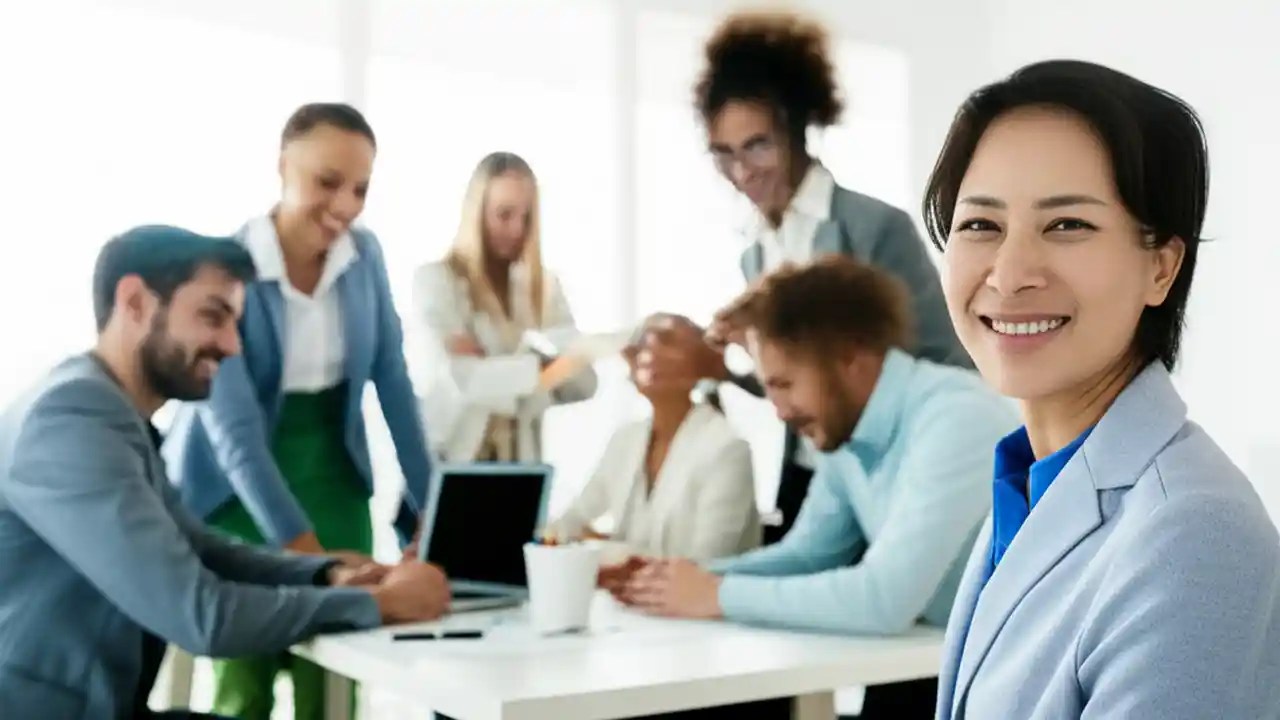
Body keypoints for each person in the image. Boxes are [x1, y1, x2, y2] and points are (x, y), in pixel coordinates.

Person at [925, 60, 1280, 720]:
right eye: (981, 225)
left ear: (1161, 268)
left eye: (1068, 226)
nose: (1009, 274)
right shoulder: (1031, 481)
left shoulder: (1193, 532)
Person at [0, 226, 449, 720]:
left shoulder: (113, 414)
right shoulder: (71, 419)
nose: (233, 345)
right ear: (134, 302)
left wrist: (327, 573)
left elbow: (202, 549)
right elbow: (202, 615)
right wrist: (380, 605)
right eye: (213, 317)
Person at [612, 257, 1017, 719]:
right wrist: (678, 578)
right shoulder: (847, 429)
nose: (779, 411)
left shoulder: (956, 418)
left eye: (785, 384)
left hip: (1014, 681)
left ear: (851, 358)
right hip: (935, 658)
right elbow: (809, 555)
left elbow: (884, 600)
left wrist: (714, 594)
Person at [640, 9, 969, 546]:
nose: (742, 172)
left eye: (757, 146)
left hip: (892, 468)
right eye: (724, 154)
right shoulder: (755, 254)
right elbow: (792, 382)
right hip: (810, 471)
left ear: (795, 131)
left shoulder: (873, 228)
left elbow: (941, 365)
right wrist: (720, 367)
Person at [161, 103, 436, 720]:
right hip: (238, 492)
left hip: (333, 478)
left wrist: (430, 508)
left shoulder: (365, 258)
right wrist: (310, 563)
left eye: (361, 188)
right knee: (246, 685)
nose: (345, 205)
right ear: (283, 166)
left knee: (337, 688)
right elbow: (234, 437)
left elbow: (393, 383)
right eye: (327, 182)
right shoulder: (226, 267)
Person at [410, 151, 597, 464]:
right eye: (504, 214)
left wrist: (491, 368)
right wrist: (540, 368)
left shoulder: (545, 289)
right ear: (477, 212)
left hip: (521, 472)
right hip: (449, 467)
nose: (517, 230)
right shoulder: (435, 281)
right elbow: (455, 378)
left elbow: (585, 382)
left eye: (527, 217)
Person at [543, 314, 760, 561]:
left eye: (666, 341)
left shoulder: (727, 449)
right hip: (627, 596)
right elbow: (568, 524)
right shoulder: (626, 439)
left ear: (702, 364)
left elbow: (704, 565)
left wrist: (607, 548)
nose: (648, 352)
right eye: (644, 342)